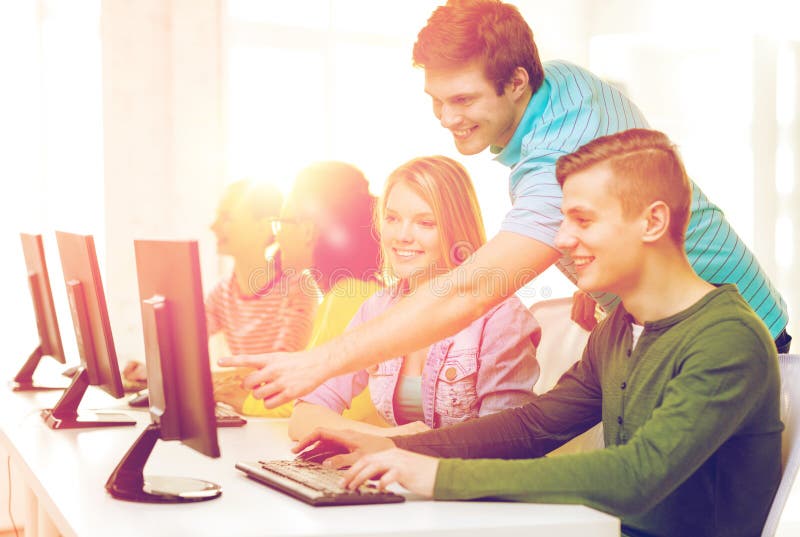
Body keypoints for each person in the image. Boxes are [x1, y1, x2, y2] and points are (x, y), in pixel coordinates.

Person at [219, 0, 789, 409]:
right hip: (662, 323)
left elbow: (470, 290)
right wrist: (598, 282)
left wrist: (320, 361)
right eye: (435, 101)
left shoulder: (552, 159)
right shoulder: (561, 81)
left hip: (731, 331)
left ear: (517, 82)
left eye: (463, 99)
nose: (446, 119)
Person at [295, 129, 782, 537]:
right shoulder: (620, 328)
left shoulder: (727, 338)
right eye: (564, 218)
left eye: (582, 220)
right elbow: (533, 427)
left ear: (652, 221)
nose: (563, 240)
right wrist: (395, 450)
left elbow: (635, 476)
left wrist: (438, 474)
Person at [288, 156, 540, 440]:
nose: (402, 236)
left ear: (456, 228)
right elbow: (304, 416)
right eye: (392, 218)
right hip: (400, 476)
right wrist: (390, 443)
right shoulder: (377, 308)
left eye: (425, 222)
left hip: (469, 481)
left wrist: (410, 448)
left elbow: (504, 441)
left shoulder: (501, 315)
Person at [216, 162, 385, 422]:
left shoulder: (349, 295)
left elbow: (314, 395)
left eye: (280, 222)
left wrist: (246, 403)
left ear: (307, 230)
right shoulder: (347, 292)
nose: (278, 236)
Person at [123, 179, 318, 385]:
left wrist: (194, 380)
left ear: (263, 227)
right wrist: (152, 369)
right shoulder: (223, 292)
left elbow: (277, 371)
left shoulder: (298, 289)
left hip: (278, 411)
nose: (213, 226)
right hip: (246, 407)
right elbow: (186, 345)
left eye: (226, 217)